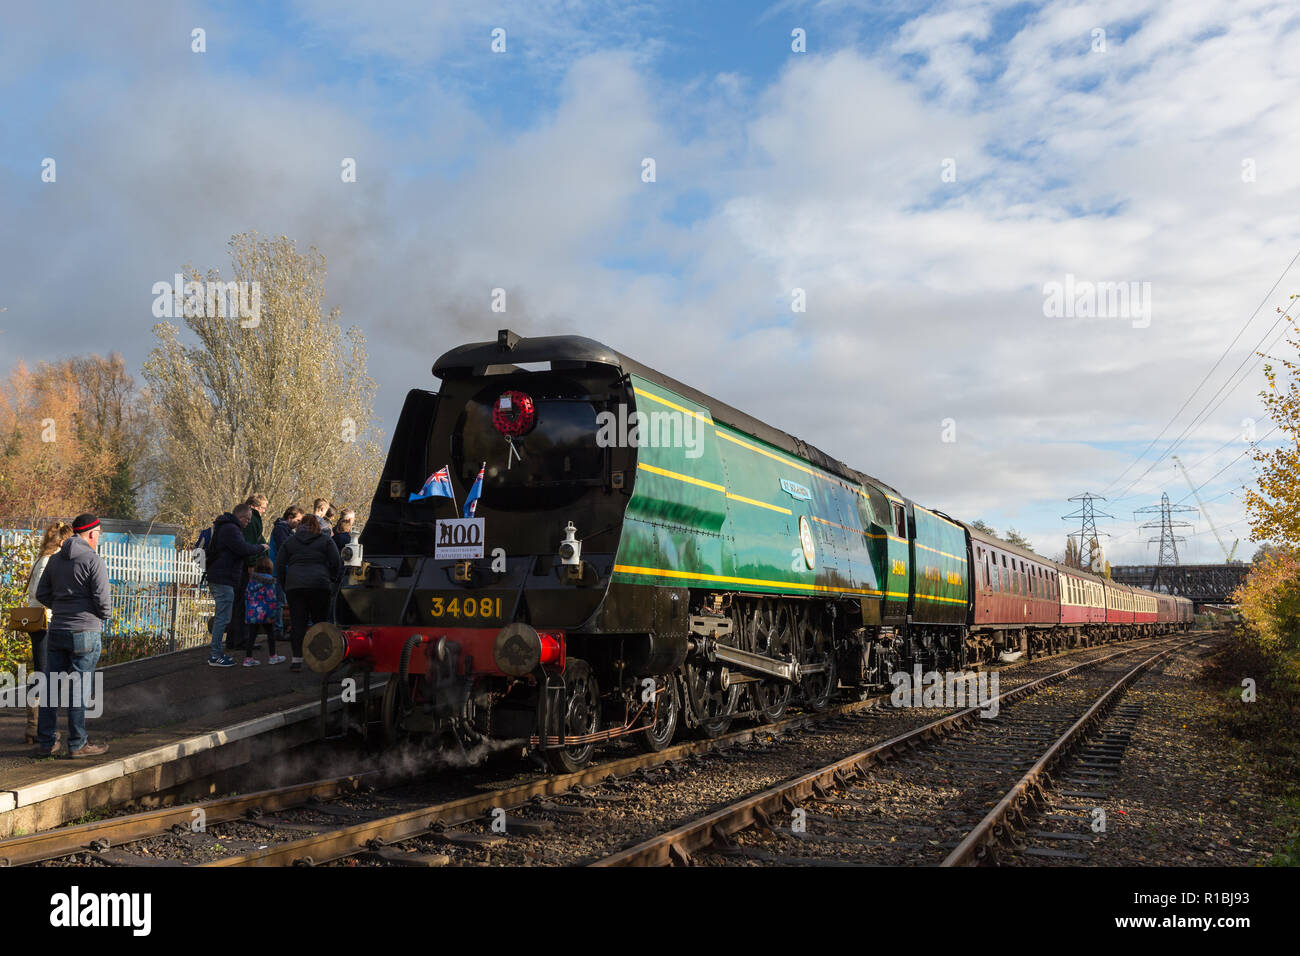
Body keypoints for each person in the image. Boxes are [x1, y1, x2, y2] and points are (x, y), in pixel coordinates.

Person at [33, 513, 111, 757]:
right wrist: (101, 616)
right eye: (97, 534)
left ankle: (47, 742)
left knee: (50, 686)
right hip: (85, 631)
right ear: (90, 533)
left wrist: (61, 608)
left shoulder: (55, 560)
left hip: (57, 630)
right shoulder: (92, 560)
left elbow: (41, 593)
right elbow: (102, 600)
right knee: (78, 687)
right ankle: (77, 743)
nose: (98, 539)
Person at [21, 521, 73, 744]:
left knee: (43, 671)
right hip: (44, 621)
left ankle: (36, 726)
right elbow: (42, 593)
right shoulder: (49, 561)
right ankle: (36, 727)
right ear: (62, 542)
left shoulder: (44, 559)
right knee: (43, 672)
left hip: (41, 621)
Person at [275, 513, 341, 672]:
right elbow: (336, 561)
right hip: (319, 585)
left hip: (295, 586)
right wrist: (331, 579)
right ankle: (319, 658)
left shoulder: (290, 541)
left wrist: (286, 584)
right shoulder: (326, 540)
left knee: (298, 623)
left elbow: (279, 563)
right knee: (320, 623)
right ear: (318, 526)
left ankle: (297, 660)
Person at [205, 503, 268, 667]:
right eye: (247, 520)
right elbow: (243, 548)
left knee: (224, 616)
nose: (248, 523)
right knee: (222, 618)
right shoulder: (231, 529)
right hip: (223, 578)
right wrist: (261, 547)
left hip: (220, 577)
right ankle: (216, 655)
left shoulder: (225, 527)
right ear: (241, 517)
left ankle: (217, 653)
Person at [230, 493, 268, 661]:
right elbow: (251, 543)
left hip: (240, 567)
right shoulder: (253, 520)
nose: (264, 512)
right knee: (243, 604)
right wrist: (252, 565)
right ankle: (242, 639)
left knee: (237, 603)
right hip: (247, 567)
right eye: (263, 508)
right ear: (255, 507)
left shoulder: (249, 521)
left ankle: (234, 639)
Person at [244, 556, 286, 666]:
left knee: (252, 635)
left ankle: (248, 658)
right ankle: (273, 656)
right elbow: (271, 599)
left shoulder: (252, 580)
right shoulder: (270, 581)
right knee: (270, 634)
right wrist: (272, 614)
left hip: (252, 612)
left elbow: (247, 595)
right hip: (265, 612)